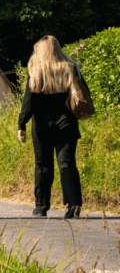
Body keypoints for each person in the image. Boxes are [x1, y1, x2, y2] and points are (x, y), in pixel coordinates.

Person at [17, 35, 85, 218]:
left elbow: (28, 102)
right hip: (67, 123)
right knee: (67, 163)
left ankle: (41, 207)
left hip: (41, 126)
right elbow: (82, 93)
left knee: (42, 166)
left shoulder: (36, 70)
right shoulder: (71, 68)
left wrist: (21, 124)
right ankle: (74, 205)